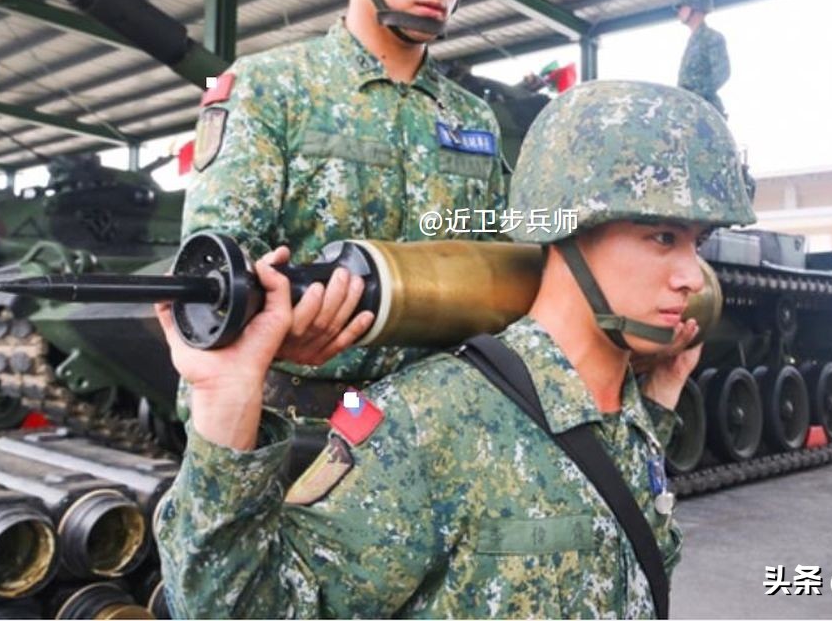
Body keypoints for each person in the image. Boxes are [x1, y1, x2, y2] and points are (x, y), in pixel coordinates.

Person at [154, 80, 757, 618]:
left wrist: (664, 392)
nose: (691, 276)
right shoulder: (427, 425)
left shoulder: (624, 412)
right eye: (662, 237)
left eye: (697, 243)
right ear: (568, 229)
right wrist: (223, 408)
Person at [179, 0, 506, 427]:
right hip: (294, 430)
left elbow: (500, 255)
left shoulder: (473, 120)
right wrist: (277, 324)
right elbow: (217, 259)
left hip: (441, 430)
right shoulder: (267, 88)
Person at [676, 0, 730, 117]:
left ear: (694, 8)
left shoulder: (712, 37)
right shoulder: (693, 41)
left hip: (706, 111)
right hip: (689, 109)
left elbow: (722, 74)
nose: (679, 12)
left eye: (682, 7)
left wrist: (697, 96)